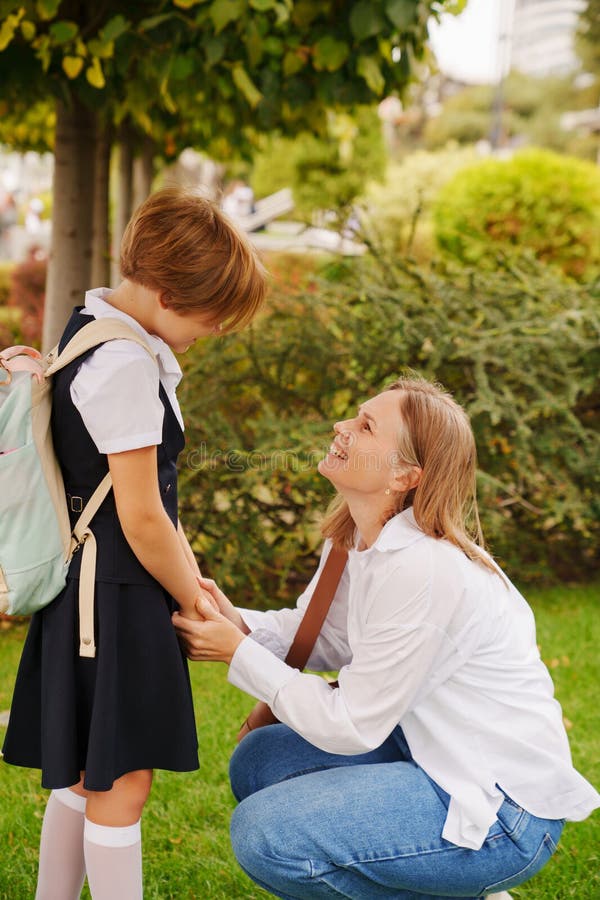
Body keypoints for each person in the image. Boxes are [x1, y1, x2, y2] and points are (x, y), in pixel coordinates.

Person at [174, 376, 600, 900]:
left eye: (366, 426)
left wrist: (236, 652)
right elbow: (323, 635)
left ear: (405, 474)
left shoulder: (425, 570)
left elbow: (352, 723)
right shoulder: (362, 540)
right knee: (263, 760)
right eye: (355, 416)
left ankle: (474, 887)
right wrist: (236, 620)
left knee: (267, 834)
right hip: (425, 751)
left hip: (499, 811)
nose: (342, 427)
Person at [2, 188, 267, 900]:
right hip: (111, 600)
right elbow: (145, 518)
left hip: (96, 589)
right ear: (169, 293)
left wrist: (197, 582)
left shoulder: (92, 324)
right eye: (214, 313)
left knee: (89, 774)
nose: (215, 328)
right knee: (120, 781)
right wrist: (198, 603)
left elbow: (138, 510)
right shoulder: (125, 365)